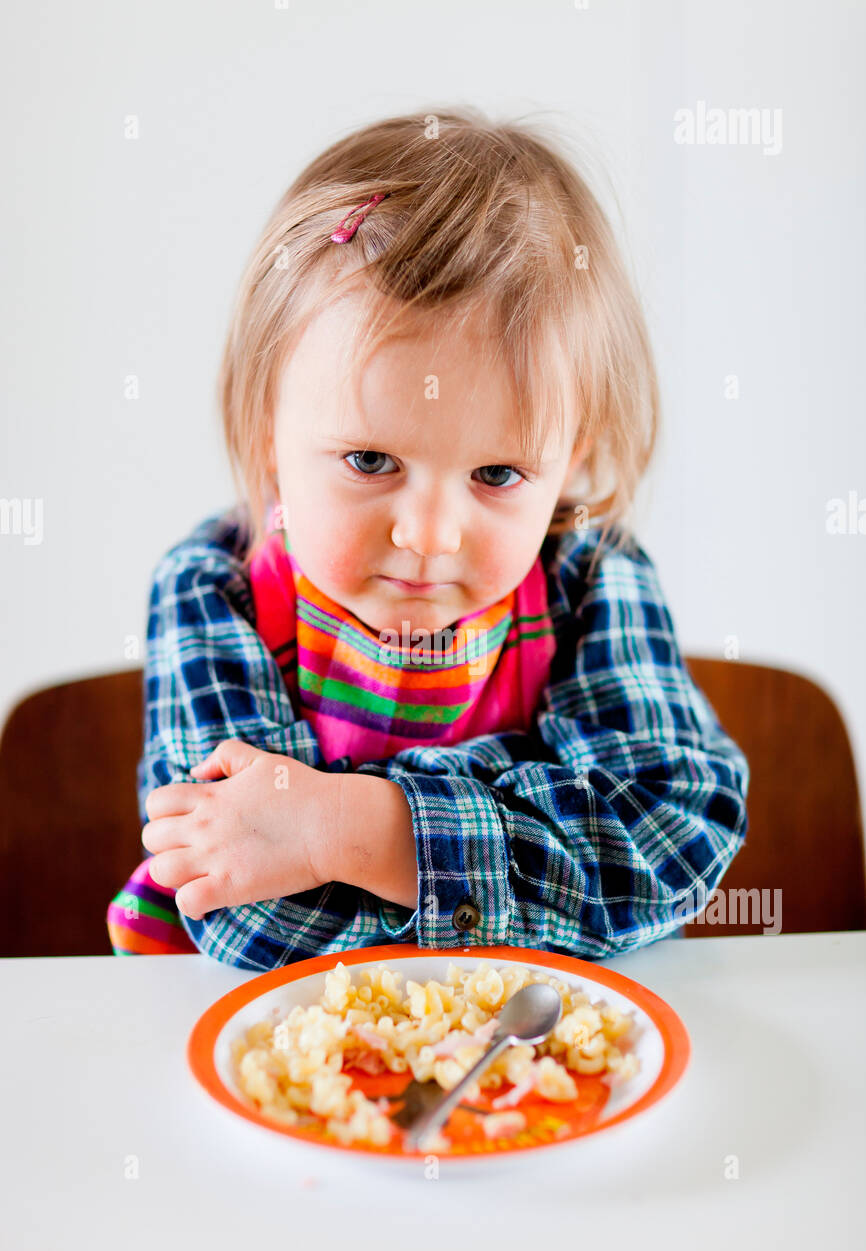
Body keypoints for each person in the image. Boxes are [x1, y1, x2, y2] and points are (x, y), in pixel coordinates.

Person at [107, 107, 748, 969]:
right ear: (268, 433)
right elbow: (245, 909)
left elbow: (665, 847)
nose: (428, 534)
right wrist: (529, 865)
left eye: (498, 476)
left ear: (569, 465)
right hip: (272, 1054)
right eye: (370, 459)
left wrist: (353, 829)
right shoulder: (215, 589)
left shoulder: (591, 578)